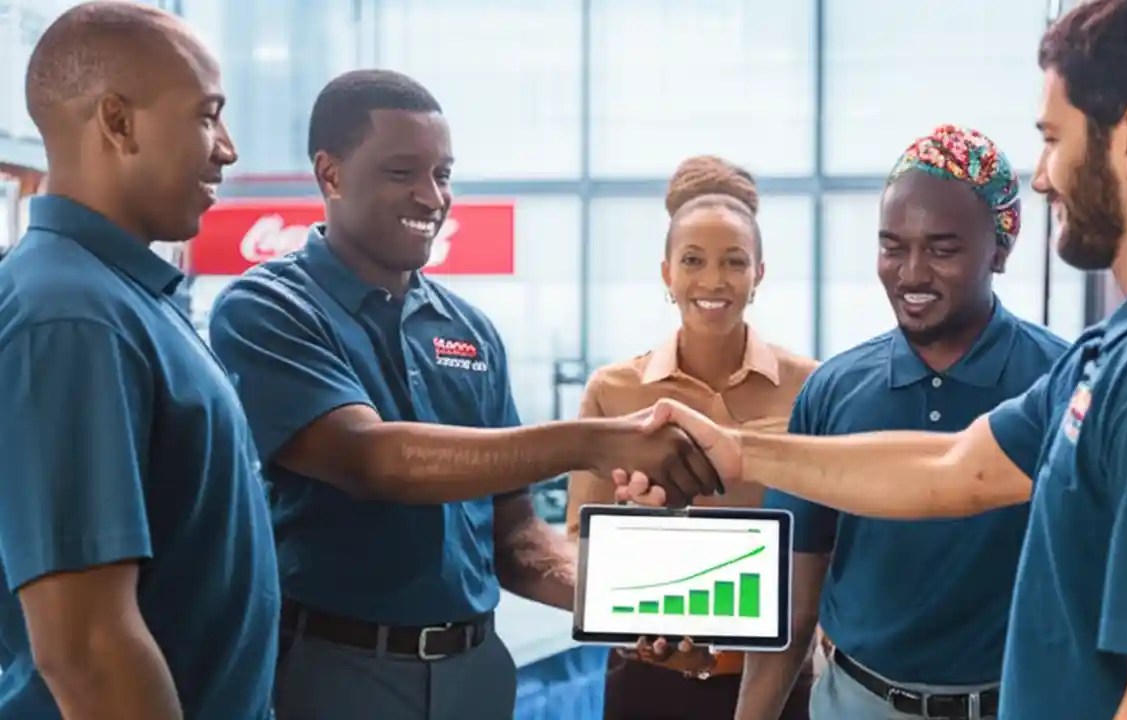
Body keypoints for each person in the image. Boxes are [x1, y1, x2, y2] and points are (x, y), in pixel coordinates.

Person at [618, 1, 1127, 718]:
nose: (1043, 177)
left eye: (1054, 139)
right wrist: (739, 451)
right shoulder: (1123, 348)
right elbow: (954, 468)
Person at [206, 69, 719, 720]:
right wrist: (592, 441)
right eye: (403, 173)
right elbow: (370, 459)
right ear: (330, 174)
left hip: (475, 673)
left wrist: (632, 601)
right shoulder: (266, 308)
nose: (432, 196)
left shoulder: (470, 332)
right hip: (334, 672)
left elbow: (517, 540)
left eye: (443, 173)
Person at [733, 125, 1067, 720]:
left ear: (1000, 249)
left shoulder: (1061, 384)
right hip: (856, 703)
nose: (912, 274)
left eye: (942, 250)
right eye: (893, 247)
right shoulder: (833, 391)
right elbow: (793, 601)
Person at [0, 2, 278, 719]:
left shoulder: (122, 298)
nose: (228, 148)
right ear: (118, 123)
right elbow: (87, 651)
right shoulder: (70, 315)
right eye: (207, 115)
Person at [565, 155, 819, 719]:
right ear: (667, 274)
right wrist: (627, 609)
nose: (713, 281)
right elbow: (581, 538)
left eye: (734, 262)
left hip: (778, 682)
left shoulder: (813, 388)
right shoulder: (613, 390)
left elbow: (835, 535)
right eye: (693, 261)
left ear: (759, 274)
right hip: (649, 681)